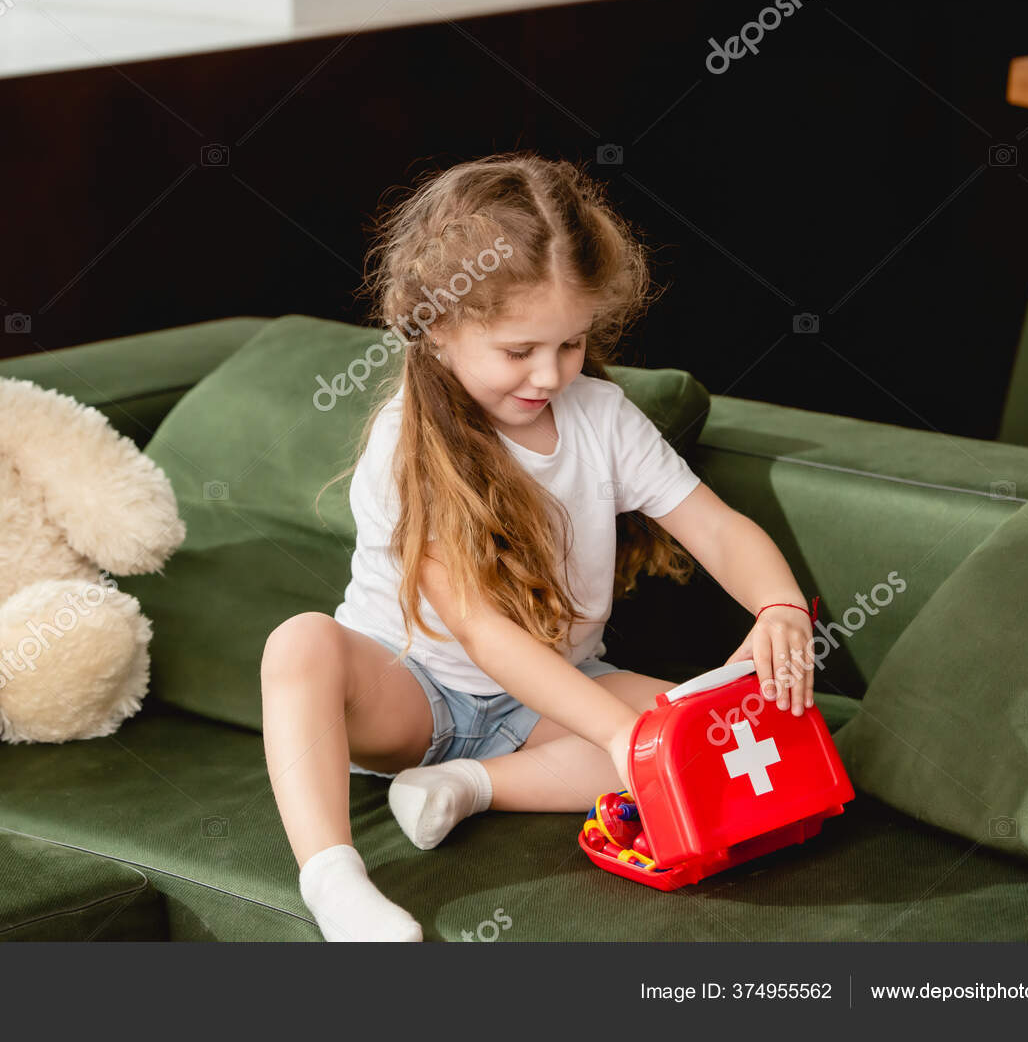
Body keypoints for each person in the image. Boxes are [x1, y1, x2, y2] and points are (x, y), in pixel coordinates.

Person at [260, 152, 818, 941]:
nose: (550, 376)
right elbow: (482, 633)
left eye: (571, 344)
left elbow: (717, 527)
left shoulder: (603, 417)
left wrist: (779, 605)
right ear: (438, 328)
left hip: (551, 694)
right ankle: (333, 880)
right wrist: (616, 733)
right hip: (412, 693)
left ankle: (471, 785)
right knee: (299, 644)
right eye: (519, 351)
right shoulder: (405, 443)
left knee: (699, 738)